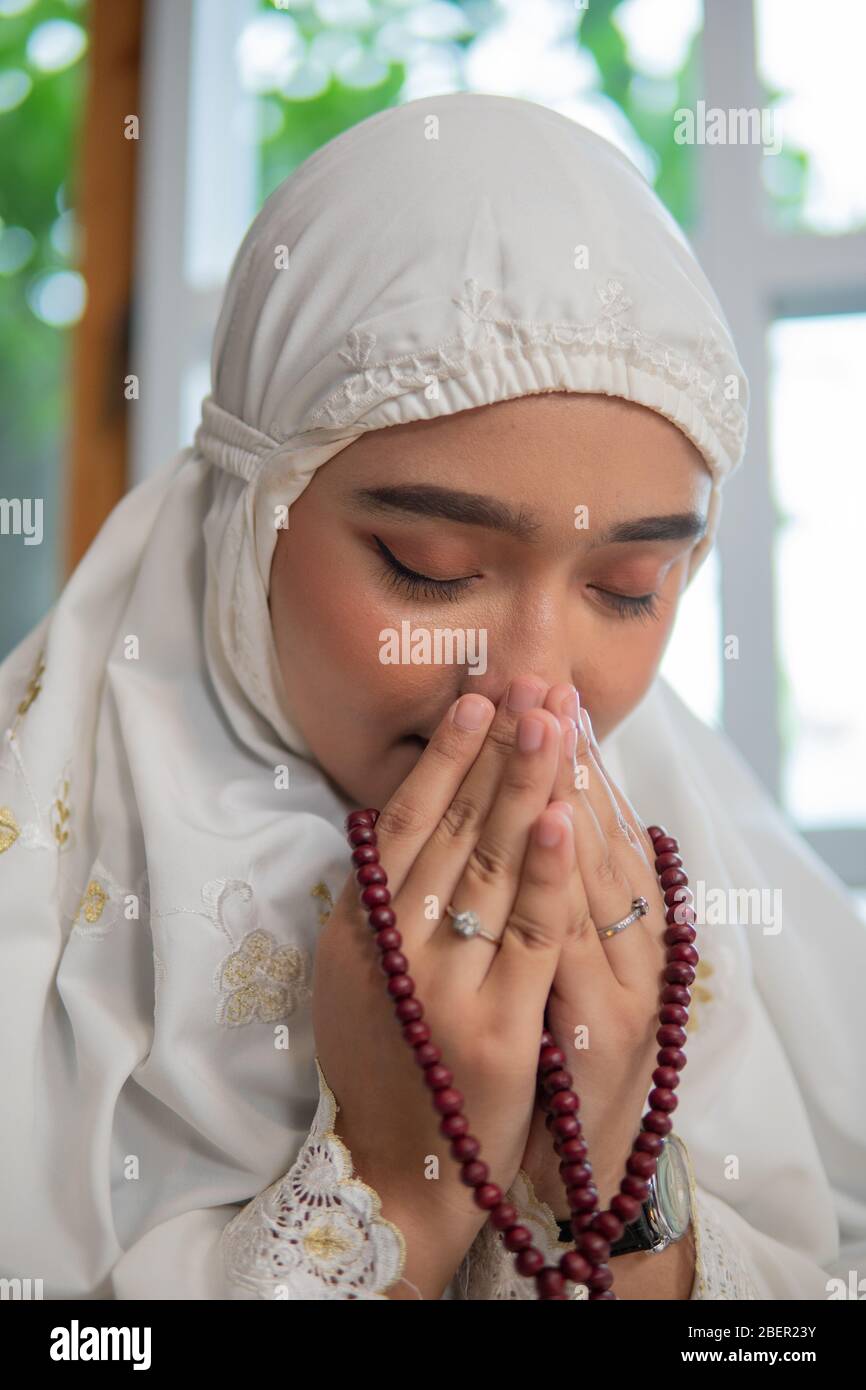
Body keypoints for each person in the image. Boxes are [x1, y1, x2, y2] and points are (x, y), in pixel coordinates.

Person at [1, 93, 863, 1302]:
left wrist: (620, 1187)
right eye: (430, 569)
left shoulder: (692, 872)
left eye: (625, 588)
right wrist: (387, 1192)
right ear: (248, 516)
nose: (533, 691)